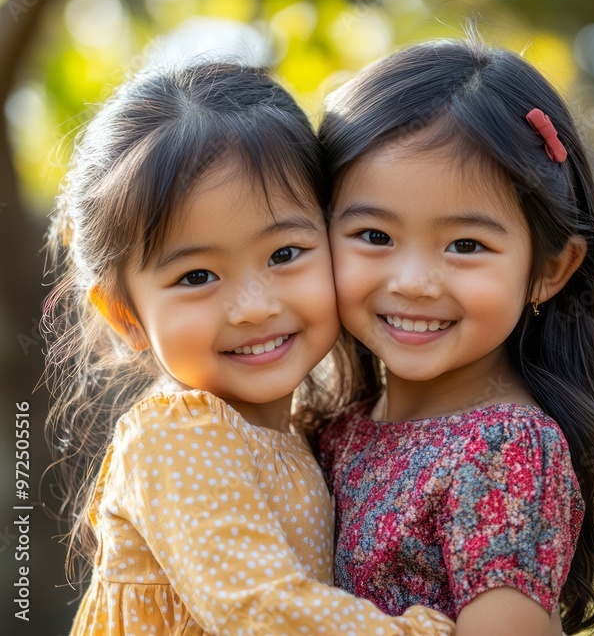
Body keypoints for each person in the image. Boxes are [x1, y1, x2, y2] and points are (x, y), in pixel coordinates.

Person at [43, 61, 454, 636]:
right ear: (125, 315)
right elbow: (260, 612)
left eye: (284, 254)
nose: (253, 307)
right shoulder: (177, 436)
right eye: (195, 276)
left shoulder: (304, 439)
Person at [309, 36, 594, 635]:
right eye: (374, 236)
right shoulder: (334, 430)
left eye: (466, 246)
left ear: (548, 269)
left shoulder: (505, 451)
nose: (412, 282)